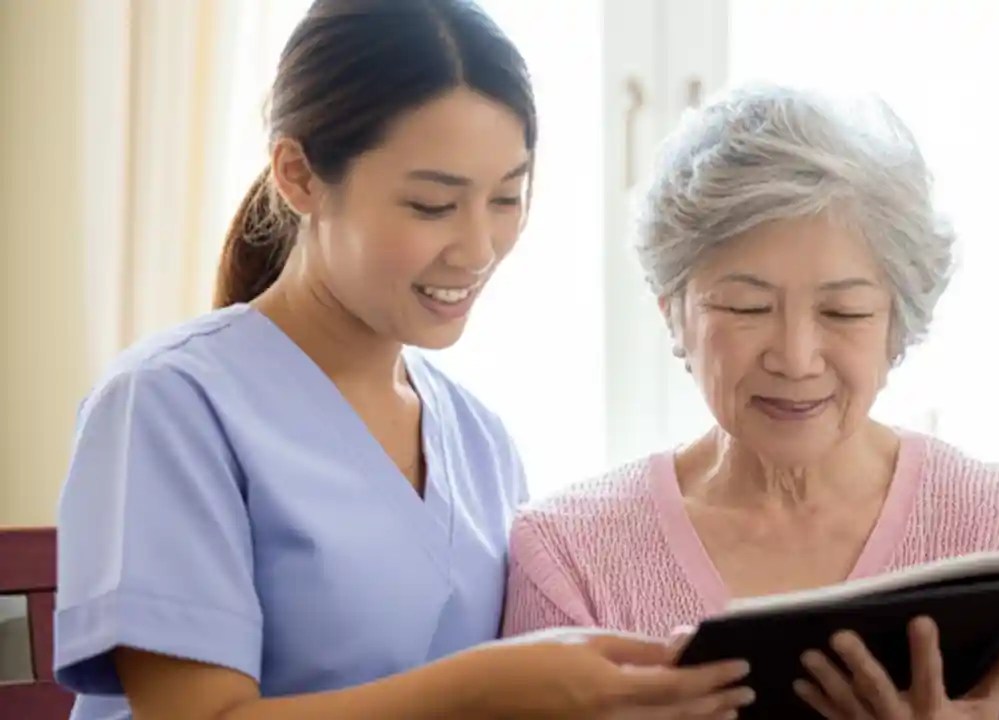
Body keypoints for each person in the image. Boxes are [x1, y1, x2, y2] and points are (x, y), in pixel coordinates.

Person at [51, 1, 757, 718]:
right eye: (431, 205)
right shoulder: (170, 405)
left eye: (508, 197)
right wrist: (483, 691)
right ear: (297, 176)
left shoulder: (479, 442)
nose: (478, 249)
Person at [501, 84, 999, 719]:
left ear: (898, 323)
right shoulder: (569, 552)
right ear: (673, 314)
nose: (795, 356)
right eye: (746, 306)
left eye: (844, 310)